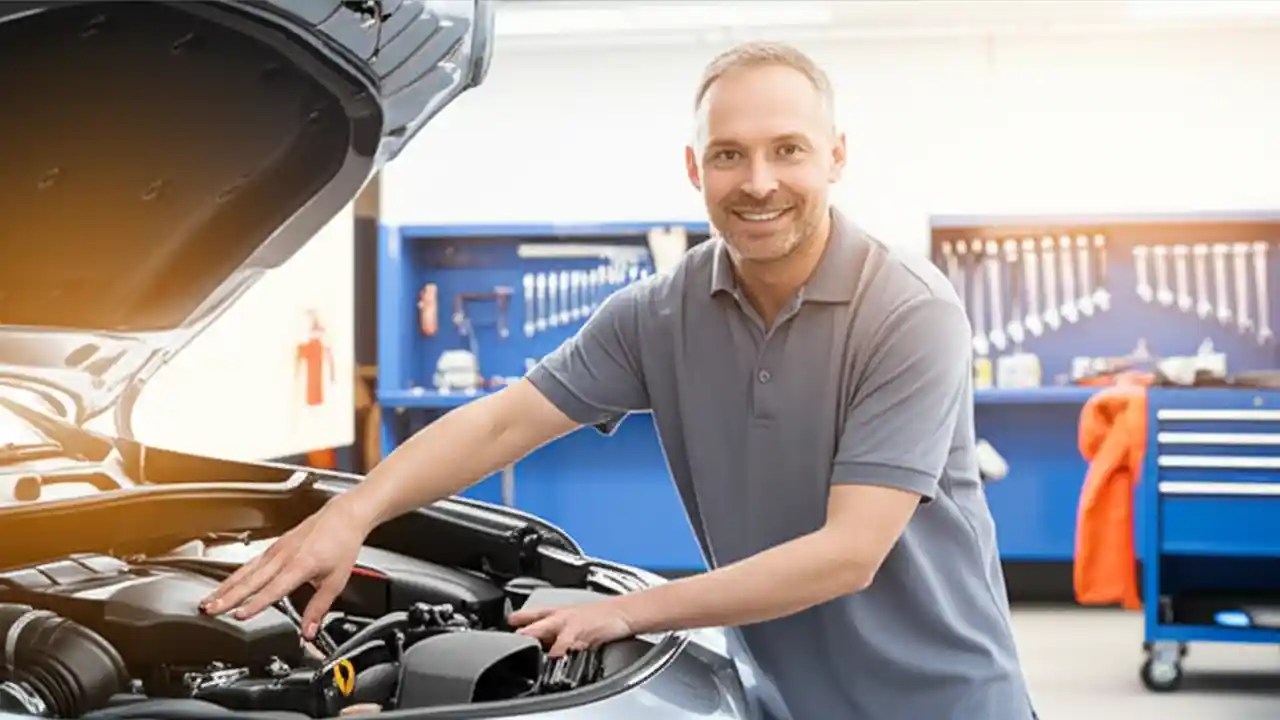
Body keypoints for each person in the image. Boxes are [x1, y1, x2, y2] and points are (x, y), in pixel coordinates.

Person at [200, 41, 1035, 720]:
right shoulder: (660, 313)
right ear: (692, 167)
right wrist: (353, 511)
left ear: (837, 158)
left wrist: (627, 610)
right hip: (783, 702)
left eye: (789, 151)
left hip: (949, 703)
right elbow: (502, 425)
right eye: (728, 155)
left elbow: (847, 555)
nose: (758, 182)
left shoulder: (908, 312)